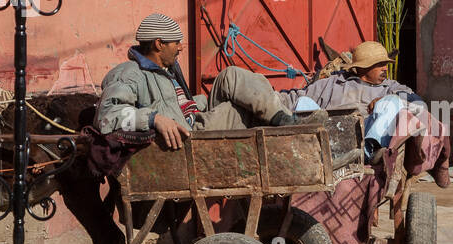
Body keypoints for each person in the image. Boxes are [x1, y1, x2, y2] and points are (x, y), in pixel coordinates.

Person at [96, 13, 321, 149]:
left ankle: (283, 119)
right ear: (158, 44)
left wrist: (199, 102)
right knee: (237, 110)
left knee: (231, 75)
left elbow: (176, 104)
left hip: (197, 116)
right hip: (192, 135)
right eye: (176, 43)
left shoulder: (166, 69)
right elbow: (106, 117)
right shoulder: (129, 74)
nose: (181, 47)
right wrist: (154, 119)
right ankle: (288, 124)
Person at [280, 39, 450, 185]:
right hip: (328, 144)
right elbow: (294, 98)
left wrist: (386, 99)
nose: (385, 68)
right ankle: (315, 152)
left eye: (386, 64)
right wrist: (265, 95)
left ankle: (370, 152)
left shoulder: (392, 88)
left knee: (392, 102)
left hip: (366, 149)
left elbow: (419, 105)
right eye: (379, 64)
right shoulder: (331, 84)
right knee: (303, 102)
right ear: (363, 67)